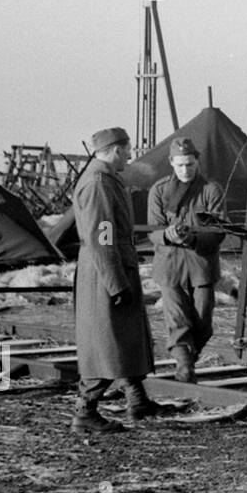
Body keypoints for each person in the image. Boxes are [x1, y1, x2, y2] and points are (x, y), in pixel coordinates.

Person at [71, 127, 156, 433]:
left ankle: (137, 400)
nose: (131, 156)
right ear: (117, 150)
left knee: (125, 337)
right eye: (128, 150)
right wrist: (115, 282)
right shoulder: (98, 184)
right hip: (105, 272)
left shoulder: (106, 179)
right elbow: (102, 237)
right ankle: (85, 411)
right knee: (107, 344)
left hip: (112, 269)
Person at [147, 136, 226, 383]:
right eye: (180, 165)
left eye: (189, 164)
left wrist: (193, 237)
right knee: (177, 317)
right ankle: (184, 364)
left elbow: (219, 230)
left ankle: (189, 357)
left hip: (201, 263)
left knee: (203, 320)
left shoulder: (211, 191)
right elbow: (152, 229)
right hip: (170, 265)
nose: (185, 170)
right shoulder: (159, 190)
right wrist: (168, 234)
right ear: (171, 162)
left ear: (197, 161)